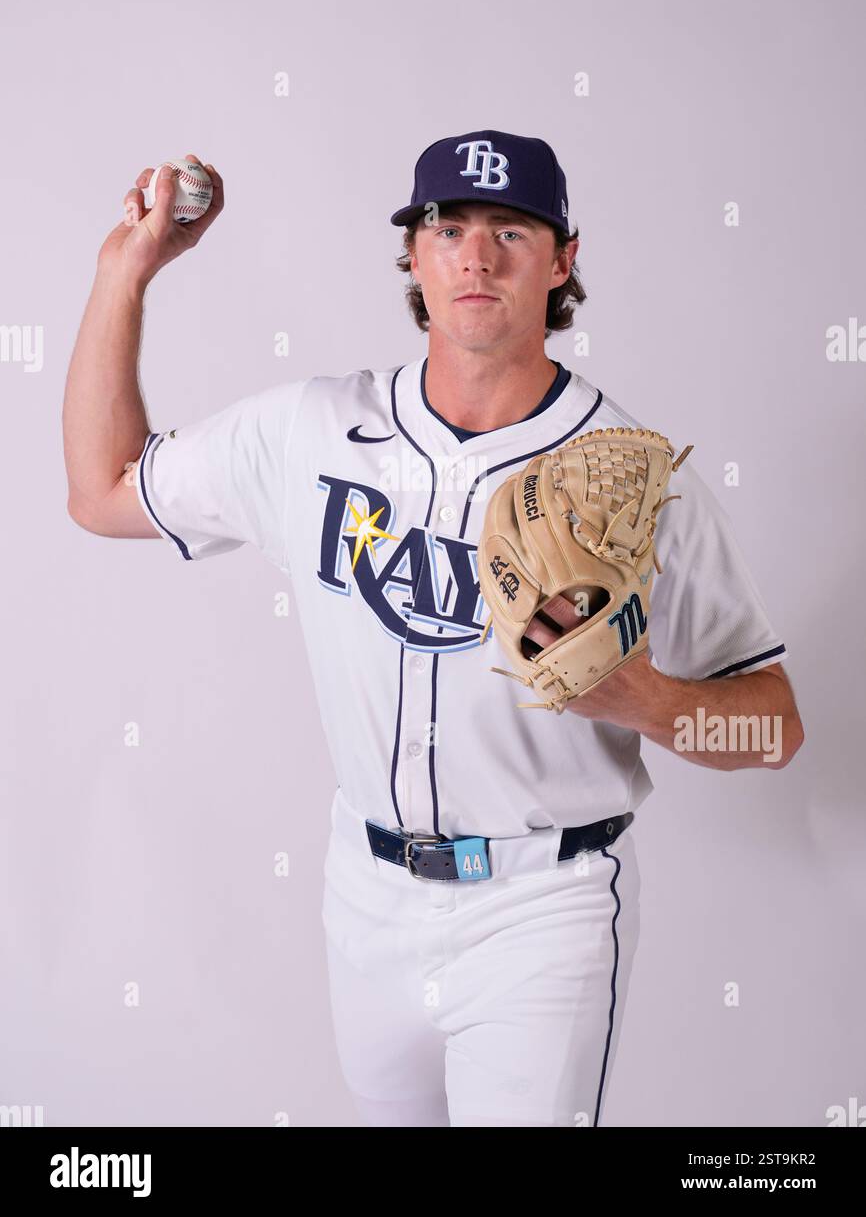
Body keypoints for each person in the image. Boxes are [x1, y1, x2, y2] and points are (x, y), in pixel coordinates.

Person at [63, 129, 804, 1128]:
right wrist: (125, 275)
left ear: (562, 260)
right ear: (412, 255)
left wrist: (650, 701)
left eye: (510, 229)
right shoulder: (310, 433)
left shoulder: (633, 476)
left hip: (542, 909)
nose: (476, 255)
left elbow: (774, 731)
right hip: (363, 901)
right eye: (446, 227)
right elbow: (102, 491)